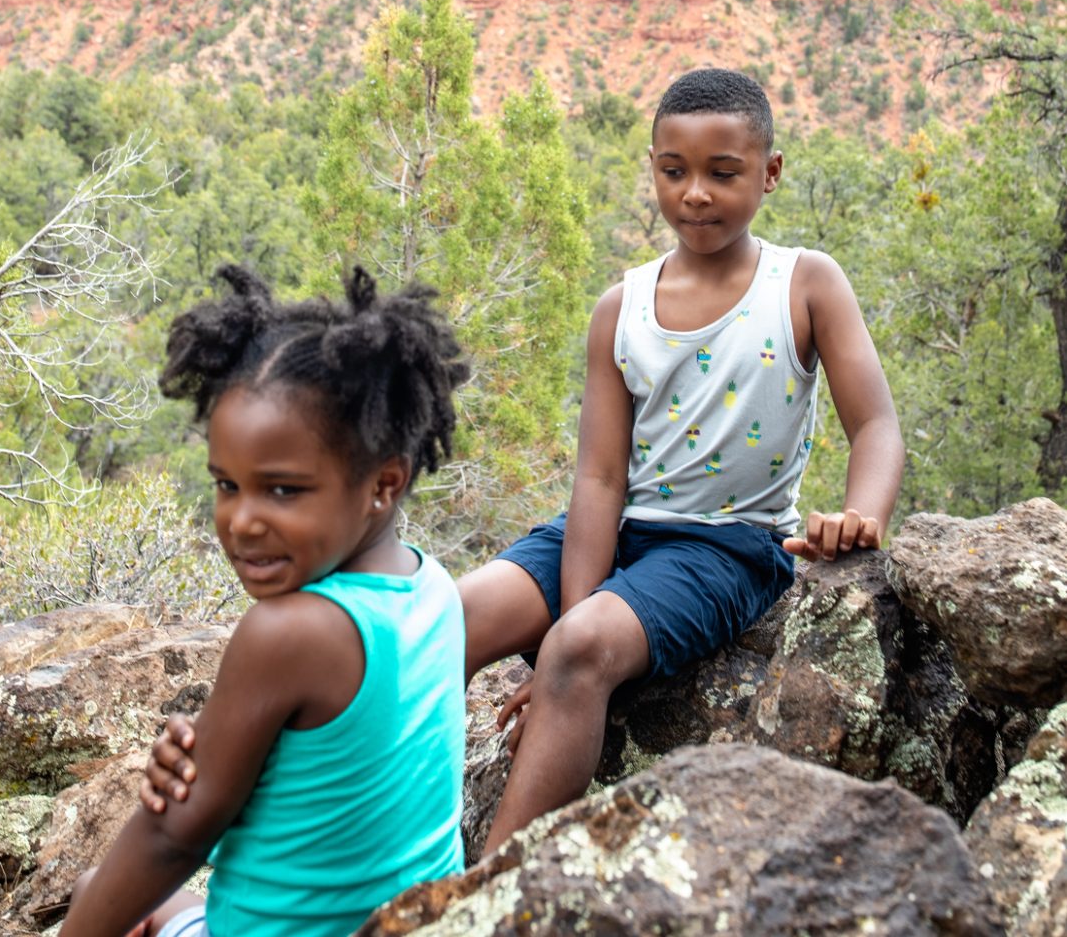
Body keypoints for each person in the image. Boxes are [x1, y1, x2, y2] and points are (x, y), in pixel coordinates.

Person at [143, 68, 903, 862]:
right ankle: (317, 831)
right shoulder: (624, 306)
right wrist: (583, 600)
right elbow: (601, 481)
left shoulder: (804, 283)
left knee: (580, 655)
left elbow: (876, 423)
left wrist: (863, 514)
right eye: (673, 171)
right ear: (651, 167)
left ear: (770, 172)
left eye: (724, 173)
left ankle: (476, 899)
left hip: (726, 546)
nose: (696, 195)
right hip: (610, 533)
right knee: (438, 622)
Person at [61, 264, 471, 937]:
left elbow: (173, 839)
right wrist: (213, 754)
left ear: (383, 484)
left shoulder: (289, 632)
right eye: (227, 485)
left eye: (282, 490)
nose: (242, 521)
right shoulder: (434, 589)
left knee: (93, 902)